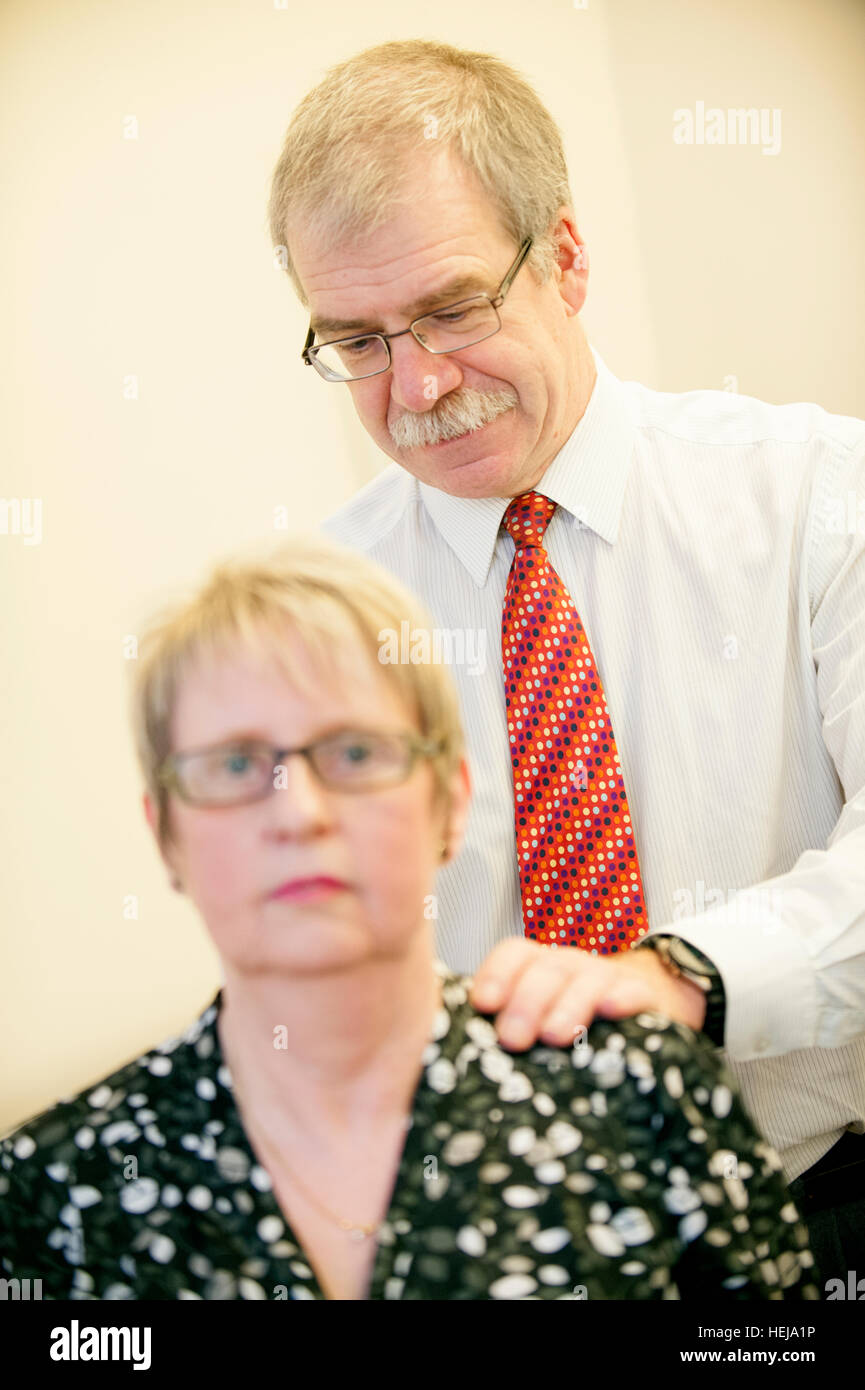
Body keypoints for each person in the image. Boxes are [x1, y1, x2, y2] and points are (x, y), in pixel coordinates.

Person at [265, 38, 865, 1285]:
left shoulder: (818, 497)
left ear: (568, 258)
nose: (417, 383)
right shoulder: (320, 614)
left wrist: (686, 981)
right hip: (497, 1247)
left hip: (820, 1203)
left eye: (450, 308)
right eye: (359, 341)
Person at [0, 537, 816, 1300]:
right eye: (237, 765)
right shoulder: (47, 1193)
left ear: (450, 802)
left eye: (354, 753)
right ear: (166, 832)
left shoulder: (639, 1089)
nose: (299, 814)